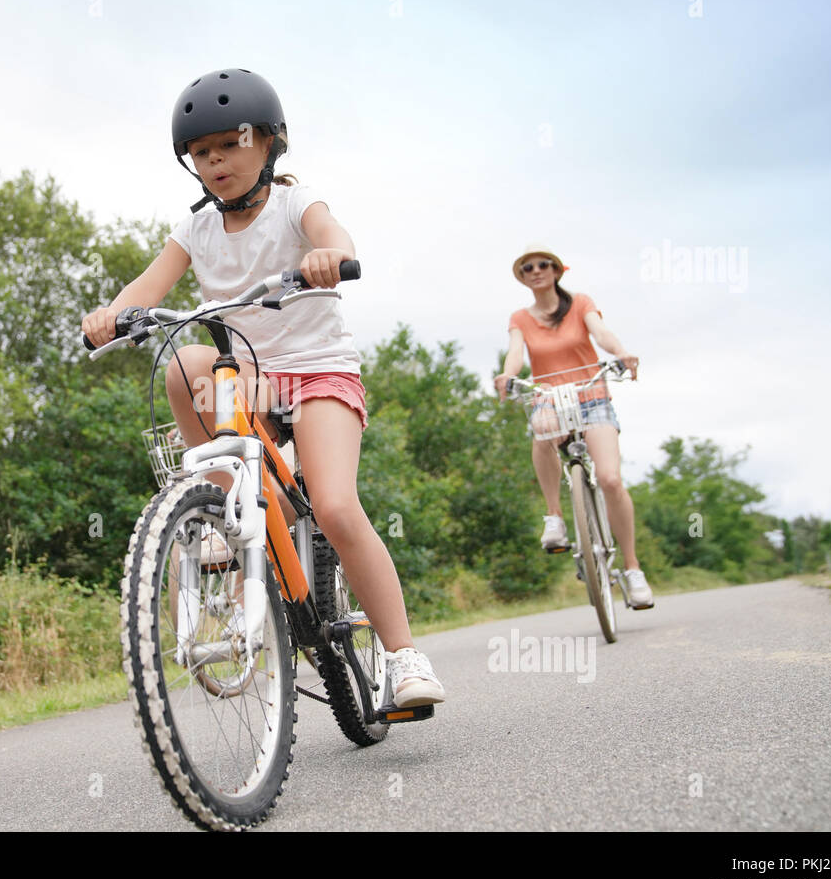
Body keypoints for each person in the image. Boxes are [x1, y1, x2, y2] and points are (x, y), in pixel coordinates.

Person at [82, 69, 444, 707]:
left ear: (270, 143)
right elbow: (147, 288)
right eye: (201, 152)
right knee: (186, 361)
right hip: (248, 373)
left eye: (231, 143)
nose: (215, 160)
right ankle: (226, 507)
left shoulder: (293, 204)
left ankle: (403, 655)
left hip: (318, 370)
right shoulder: (194, 231)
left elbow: (337, 236)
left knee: (333, 506)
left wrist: (326, 256)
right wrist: (111, 315)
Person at [494, 247, 654, 608]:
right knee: (541, 428)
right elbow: (516, 352)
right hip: (550, 398)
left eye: (543, 265)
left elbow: (601, 332)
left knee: (611, 479)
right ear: (522, 277)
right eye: (527, 268)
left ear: (556, 271)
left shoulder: (580, 303)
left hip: (592, 395)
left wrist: (622, 353)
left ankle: (632, 568)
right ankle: (555, 517)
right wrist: (509, 374)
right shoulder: (520, 317)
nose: (536, 270)